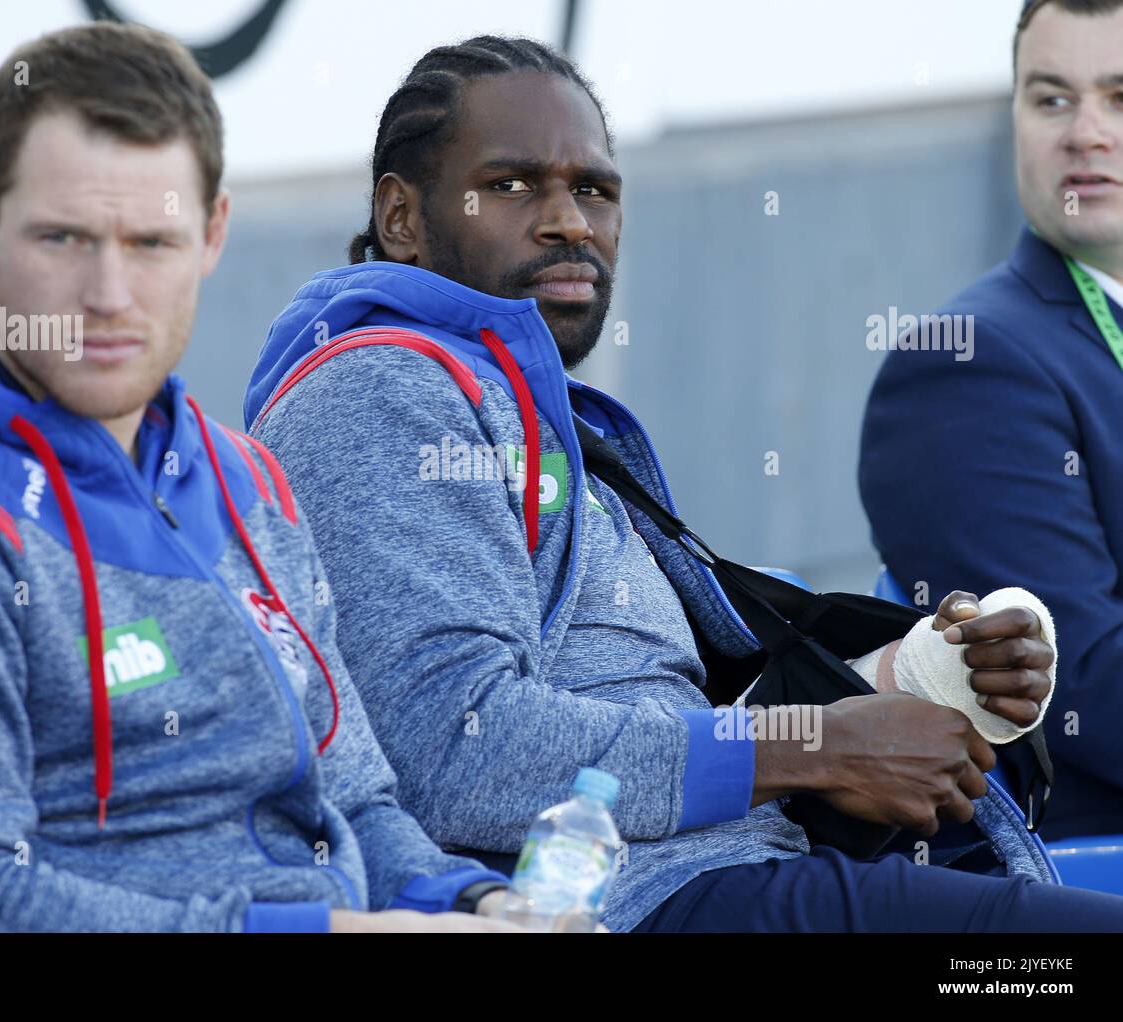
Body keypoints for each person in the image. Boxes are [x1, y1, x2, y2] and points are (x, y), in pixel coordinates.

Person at [245, 34, 1123, 932]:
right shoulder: (377, 391)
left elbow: (671, 709)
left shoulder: (542, 410)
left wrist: (910, 676)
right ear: (401, 217)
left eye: (593, 190)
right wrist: (809, 749)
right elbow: (449, 746)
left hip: (741, 872)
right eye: (512, 185)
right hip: (635, 907)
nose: (568, 223)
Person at [0, 22, 519, 933]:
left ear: (214, 233)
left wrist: (479, 901)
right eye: (65, 238)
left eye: (151, 242)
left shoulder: (247, 481)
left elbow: (356, 807)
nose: (108, 294)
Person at [860, 0, 1123, 840]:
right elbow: (1086, 690)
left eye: (1122, 98)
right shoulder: (969, 362)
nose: (1085, 132)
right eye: (1051, 98)